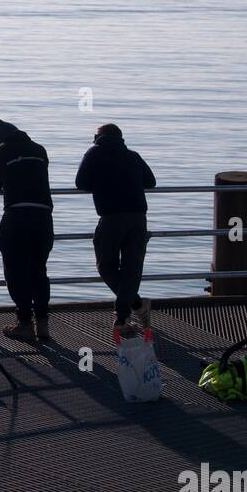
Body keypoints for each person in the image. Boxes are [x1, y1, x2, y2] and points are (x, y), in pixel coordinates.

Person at [74, 123, 156, 335]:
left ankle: (129, 312)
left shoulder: (94, 154)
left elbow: (80, 182)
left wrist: (102, 183)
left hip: (111, 218)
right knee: (131, 268)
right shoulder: (133, 156)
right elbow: (151, 182)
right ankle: (129, 310)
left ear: (98, 138)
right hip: (138, 218)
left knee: (105, 265)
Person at [0, 119, 54, 341]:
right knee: (39, 269)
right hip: (44, 215)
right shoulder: (39, 149)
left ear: (0, 137)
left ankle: (24, 322)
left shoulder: (0, 151)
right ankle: (43, 323)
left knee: (14, 269)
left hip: (17, 215)